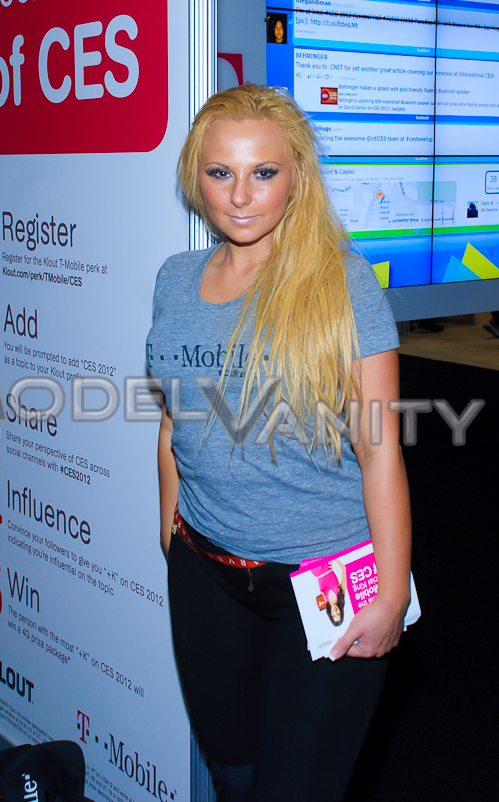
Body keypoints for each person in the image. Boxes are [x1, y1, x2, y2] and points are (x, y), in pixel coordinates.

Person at [147, 85, 411, 802]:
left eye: (263, 172)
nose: (239, 195)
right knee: (233, 777)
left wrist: (392, 594)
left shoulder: (341, 282)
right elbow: (173, 419)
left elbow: (380, 450)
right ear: (195, 177)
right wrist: (171, 531)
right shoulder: (175, 279)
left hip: (324, 581)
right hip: (205, 574)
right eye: (219, 172)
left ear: (296, 177)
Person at [311, 558, 347, 626]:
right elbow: (343, 569)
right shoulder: (341, 593)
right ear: (341, 611)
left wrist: (318, 599)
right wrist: (334, 558)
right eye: (338, 613)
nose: (335, 612)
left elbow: (322, 593)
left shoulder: (324, 603)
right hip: (326, 564)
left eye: (334, 615)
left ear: (330, 615)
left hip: (316, 570)